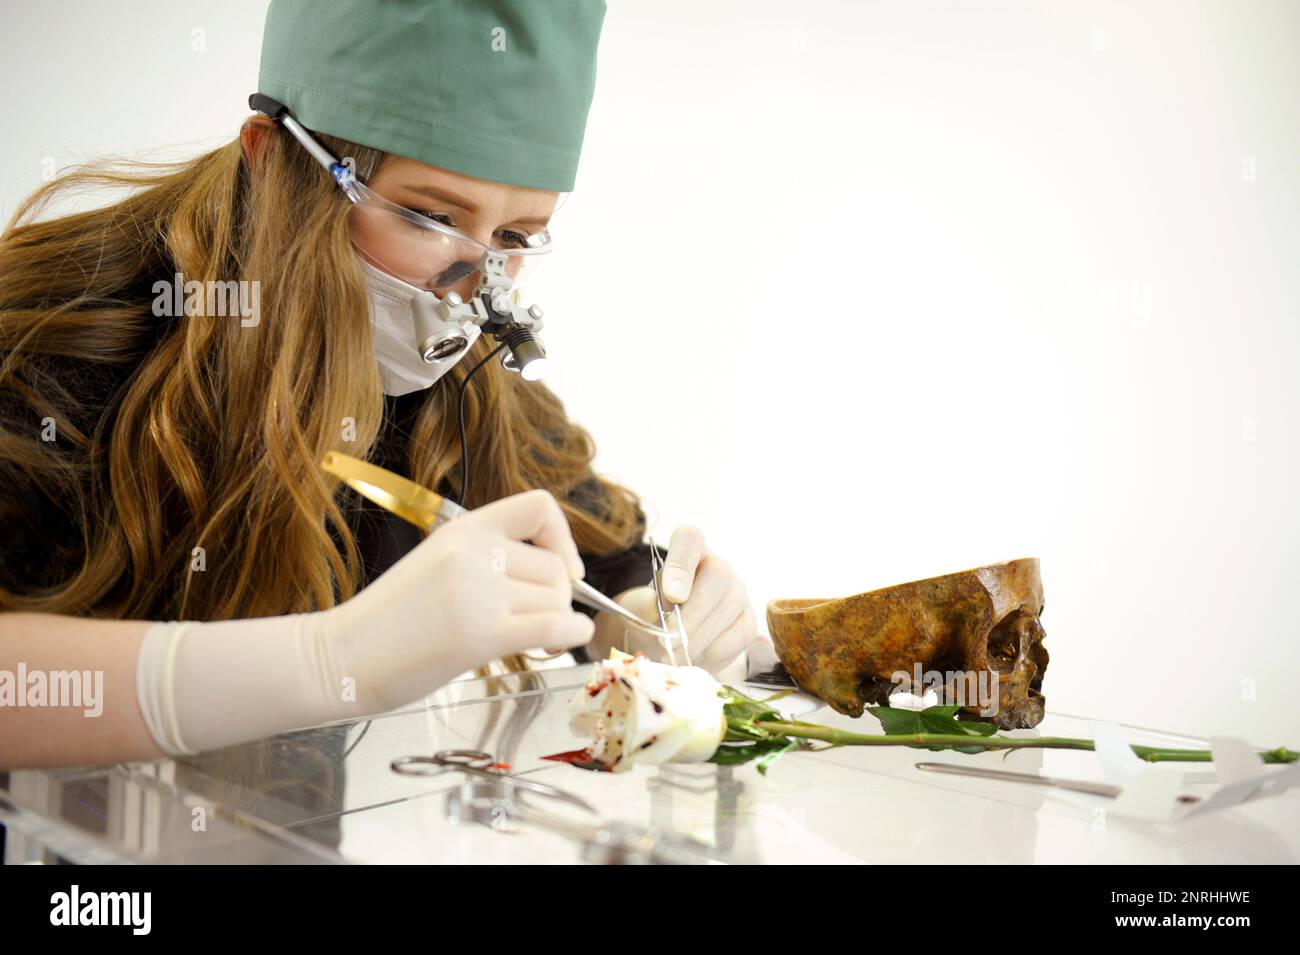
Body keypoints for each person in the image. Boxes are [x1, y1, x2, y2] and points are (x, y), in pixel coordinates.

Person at [0, 0, 766, 771]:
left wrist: (641, 618)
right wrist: (322, 658)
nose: (473, 287)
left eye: (515, 238)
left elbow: (596, 553)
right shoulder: (59, 336)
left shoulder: (452, 382)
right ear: (272, 157)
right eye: (431, 217)